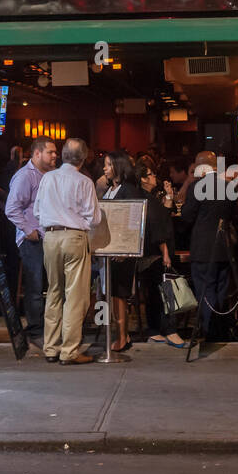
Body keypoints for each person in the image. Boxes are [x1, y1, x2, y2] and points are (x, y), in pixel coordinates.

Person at [35, 137, 102, 365]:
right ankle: (69, 351)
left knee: (54, 292)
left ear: (62, 155)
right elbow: (94, 218)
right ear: (83, 159)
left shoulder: (47, 179)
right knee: (75, 296)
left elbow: (36, 211)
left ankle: (50, 348)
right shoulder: (84, 182)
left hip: (51, 237)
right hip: (74, 237)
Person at [4, 135, 57, 354]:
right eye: (51, 152)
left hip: (50, 238)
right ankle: (36, 331)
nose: (55, 156)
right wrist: (29, 231)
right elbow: (11, 208)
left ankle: (51, 329)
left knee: (51, 286)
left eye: (56, 152)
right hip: (33, 241)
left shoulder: (52, 175)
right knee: (35, 287)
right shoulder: (25, 176)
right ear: (37, 154)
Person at [178, 150, 235, 341]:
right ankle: (221, 330)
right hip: (224, 246)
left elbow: (186, 216)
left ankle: (209, 331)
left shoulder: (197, 187)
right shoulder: (229, 186)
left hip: (203, 247)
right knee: (221, 288)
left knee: (205, 288)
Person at [133, 162, 179, 344]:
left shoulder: (148, 197)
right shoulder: (146, 199)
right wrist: (165, 252)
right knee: (162, 291)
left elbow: (164, 217)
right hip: (154, 255)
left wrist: (169, 196)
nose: (154, 177)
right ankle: (167, 329)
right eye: (151, 174)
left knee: (155, 292)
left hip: (151, 255)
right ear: (143, 179)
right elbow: (158, 230)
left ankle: (157, 329)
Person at [100, 149, 139, 352]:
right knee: (113, 293)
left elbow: (134, 220)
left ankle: (122, 337)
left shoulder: (128, 189)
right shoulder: (110, 189)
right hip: (110, 250)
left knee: (119, 294)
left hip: (122, 251)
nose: (105, 168)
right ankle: (121, 335)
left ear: (118, 166)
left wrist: (125, 248)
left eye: (108, 164)